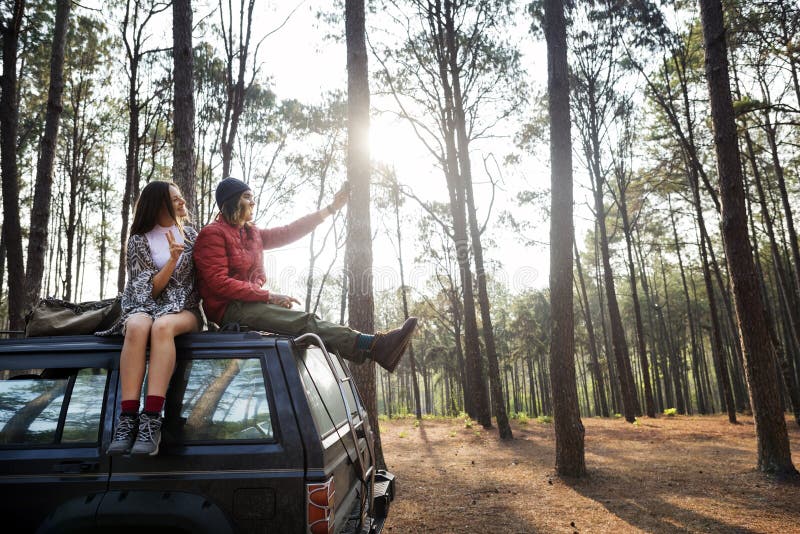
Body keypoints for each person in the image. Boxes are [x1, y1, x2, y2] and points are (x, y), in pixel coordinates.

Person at [194, 177, 417, 371]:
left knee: (304, 333)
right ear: (231, 201)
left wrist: (330, 209)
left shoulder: (252, 233)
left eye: (252, 196)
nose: (253, 201)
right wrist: (268, 296)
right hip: (229, 309)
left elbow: (289, 231)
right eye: (246, 196)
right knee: (305, 322)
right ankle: (374, 345)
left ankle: (370, 351)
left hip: (250, 301)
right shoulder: (212, 234)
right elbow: (218, 282)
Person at [98, 181, 201, 456]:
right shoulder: (139, 240)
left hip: (184, 310)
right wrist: (170, 261)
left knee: (162, 326)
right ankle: (128, 418)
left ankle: (152, 419)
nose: (182, 202)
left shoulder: (192, 235)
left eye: (181, 197)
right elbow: (147, 291)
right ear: (158, 205)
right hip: (145, 304)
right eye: (176, 199)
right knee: (136, 326)